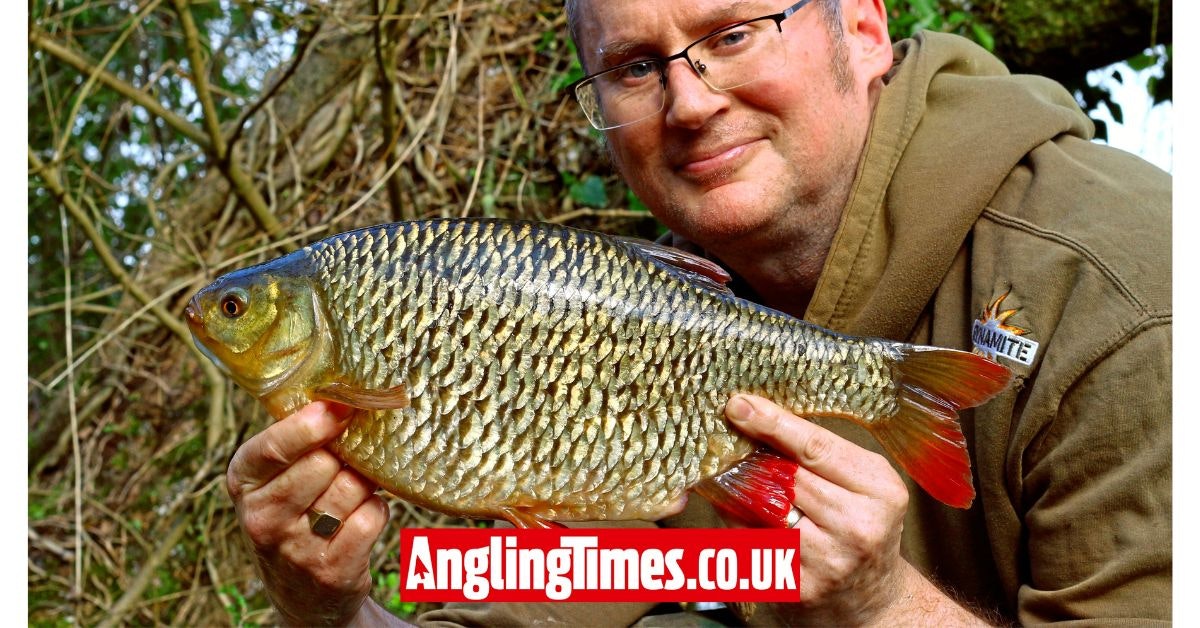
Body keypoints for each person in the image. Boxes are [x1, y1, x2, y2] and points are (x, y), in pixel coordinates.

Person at [225, 0, 1172, 624]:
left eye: (731, 33)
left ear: (867, 29)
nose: (689, 100)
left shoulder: (1129, 295)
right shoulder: (614, 322)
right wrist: (332, 611)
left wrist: (884, 608)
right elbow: (537, 601)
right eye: (635, 68)